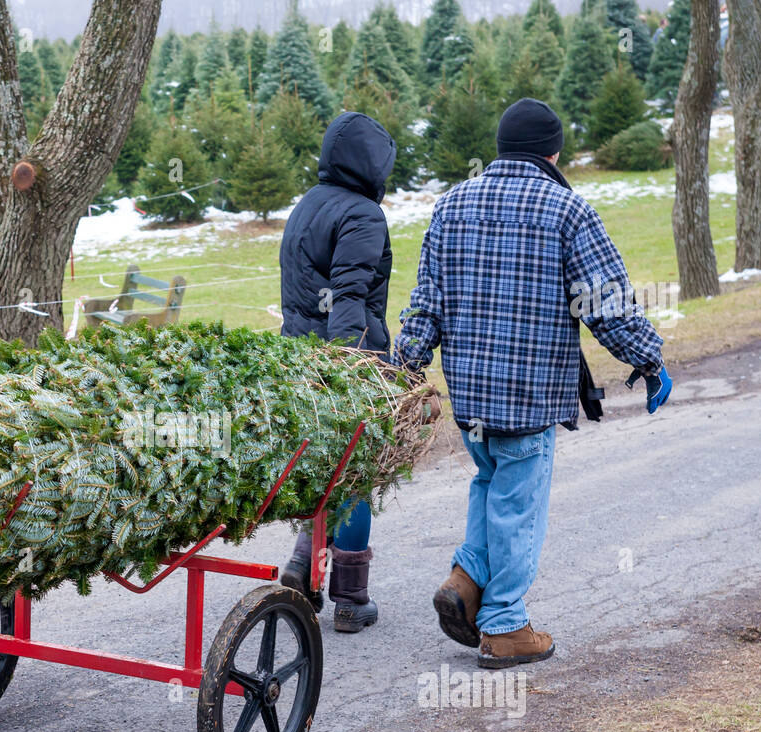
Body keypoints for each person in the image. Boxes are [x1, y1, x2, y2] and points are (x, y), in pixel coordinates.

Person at [392, 98, 672, 669]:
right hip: (528, 395)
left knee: (489, 485)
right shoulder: (567, 210)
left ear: (499, 147)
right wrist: (648, 360)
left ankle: (465, 580)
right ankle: (504, 627)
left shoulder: (450, 206)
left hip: (470, 394)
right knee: (518, 506)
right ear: (553, 151)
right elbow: (607, 304)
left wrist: (405, 366)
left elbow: (426, 303)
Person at [277, 111, 397, 633]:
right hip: (343, 355)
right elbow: (347, 295)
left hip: (299, 354)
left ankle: (304, 568)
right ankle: (351, 597)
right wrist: (349, 368)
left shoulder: (308, 203)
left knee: (325, 465)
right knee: (357, 473)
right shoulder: (364, 215)